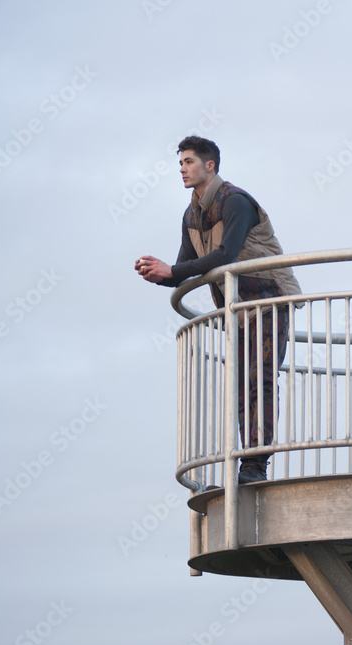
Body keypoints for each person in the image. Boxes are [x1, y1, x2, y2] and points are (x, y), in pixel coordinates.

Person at [135, 135, 301, 483]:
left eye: (189, 162)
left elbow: (226, 254)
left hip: (270, 299)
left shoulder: (235, 201)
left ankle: (255, 466)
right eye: (180, 162)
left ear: (210, 166)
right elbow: (184, 266)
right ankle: (247, 463)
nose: (182, 168)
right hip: (238, 309)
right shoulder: (191, 214)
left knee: (261, 379)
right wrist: (158, 274)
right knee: (243, 383)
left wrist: (173, 271)